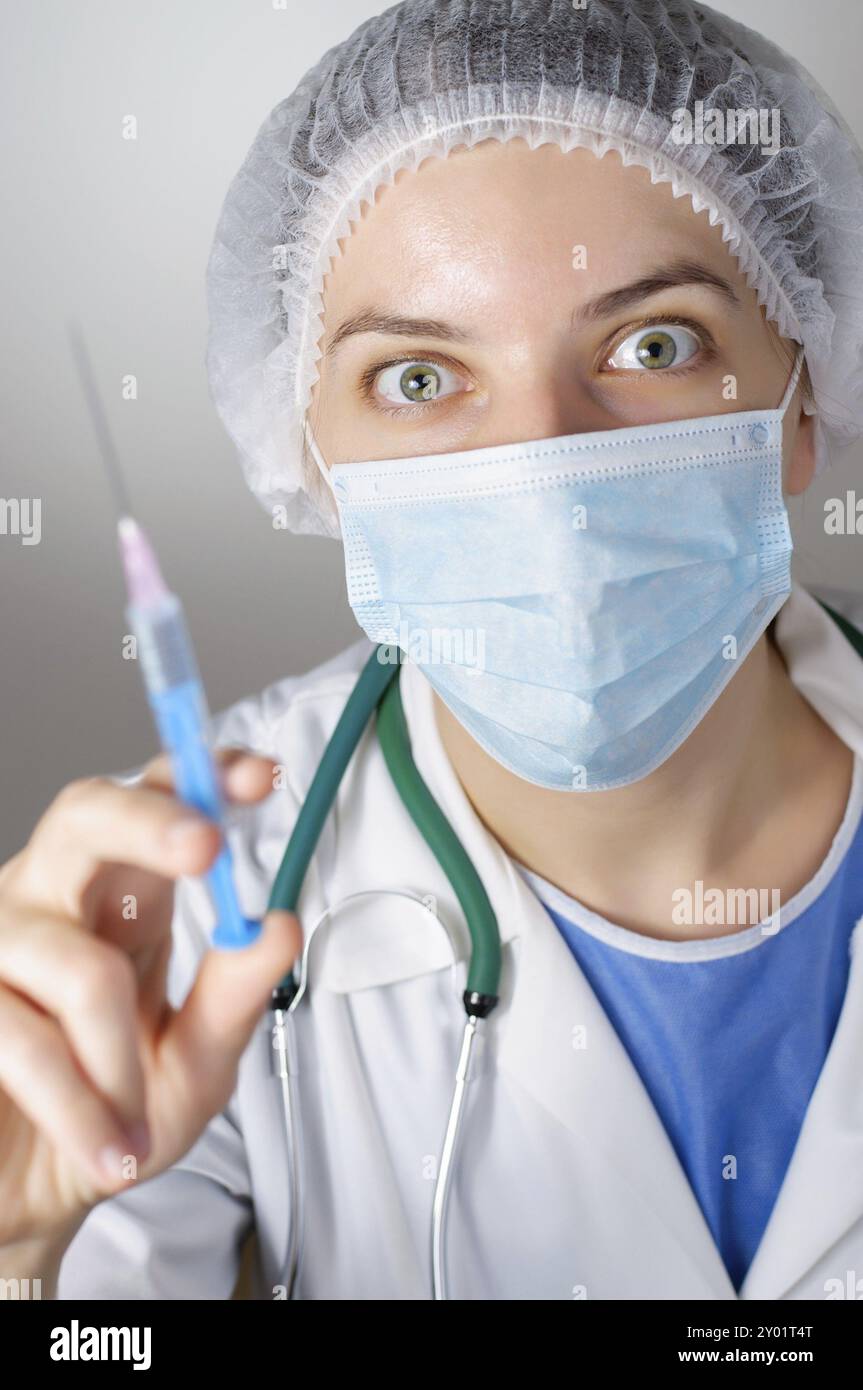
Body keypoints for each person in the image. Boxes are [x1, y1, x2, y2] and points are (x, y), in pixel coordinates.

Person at [3, 0, 863, 1301]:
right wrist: (20, 1249)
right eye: (417, 377)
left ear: (803, 408)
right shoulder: (196, 896)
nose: (548, 472)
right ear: (317, 468)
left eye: (654, 344)